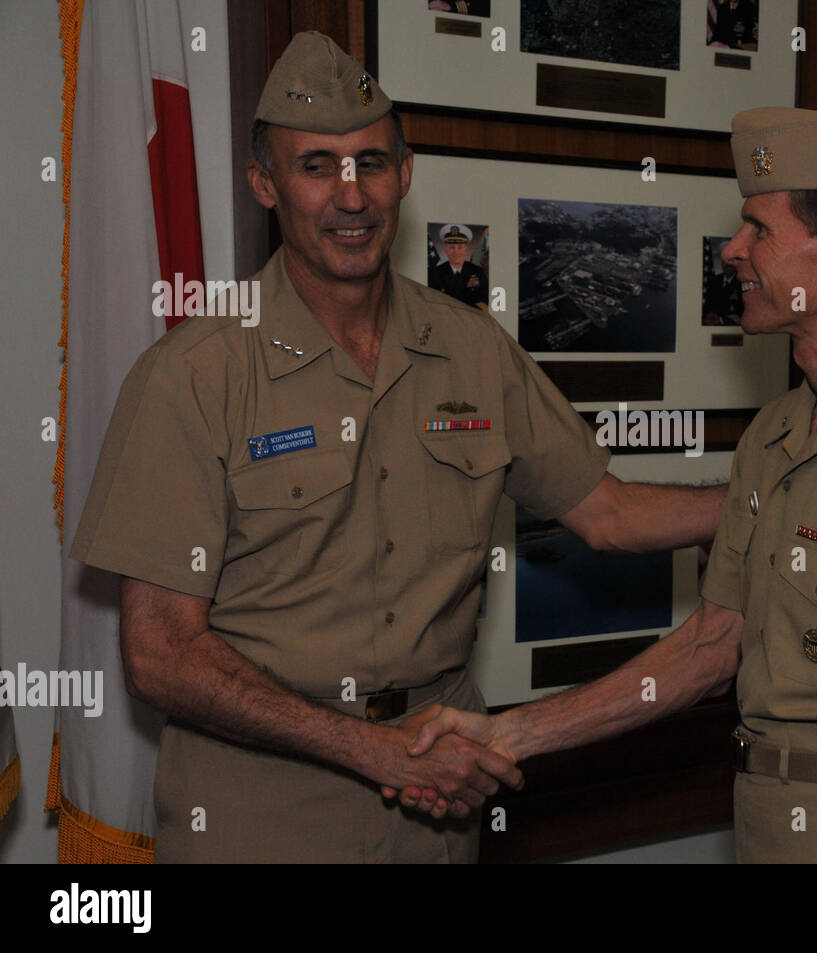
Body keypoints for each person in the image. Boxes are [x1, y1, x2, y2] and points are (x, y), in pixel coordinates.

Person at [68, 31, 725, 863]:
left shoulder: (472, 351)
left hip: (439, 806)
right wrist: (371, 748)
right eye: (317, 168)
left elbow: (611, 512)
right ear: (264, 184)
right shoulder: (191, 376)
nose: (352, 196)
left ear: (405, 176)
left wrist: (761, 499)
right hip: (260, 811)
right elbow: (160, 652)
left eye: (371, 163)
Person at [396, 93, 817, 864]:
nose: (732, 250)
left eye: (761, 227)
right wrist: (509, 732)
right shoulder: (774, 437)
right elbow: (710, 646)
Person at [429, 224, 489, 311]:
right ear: (446, 249)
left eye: (460, 247)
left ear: (466, 249)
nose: (456, 252)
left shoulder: (477, 272)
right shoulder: (435, 273)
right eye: (452, 247)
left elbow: (486, 299)